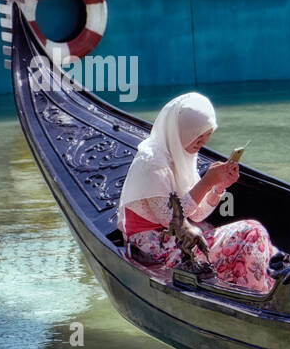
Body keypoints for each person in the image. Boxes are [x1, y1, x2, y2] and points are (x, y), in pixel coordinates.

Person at [118, 93, 276, 293]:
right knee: (251, 232)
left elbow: (196, 214)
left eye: (205, 137)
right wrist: (207, 181)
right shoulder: (151, 161)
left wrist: (219, 187)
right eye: (197, 137)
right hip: (154, 248)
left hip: (177, 240)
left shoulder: (183, 154)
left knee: (257, 236)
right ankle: (259, 293)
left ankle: (252, 290)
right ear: (181, 131)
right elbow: (170, 219)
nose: (201, 143)